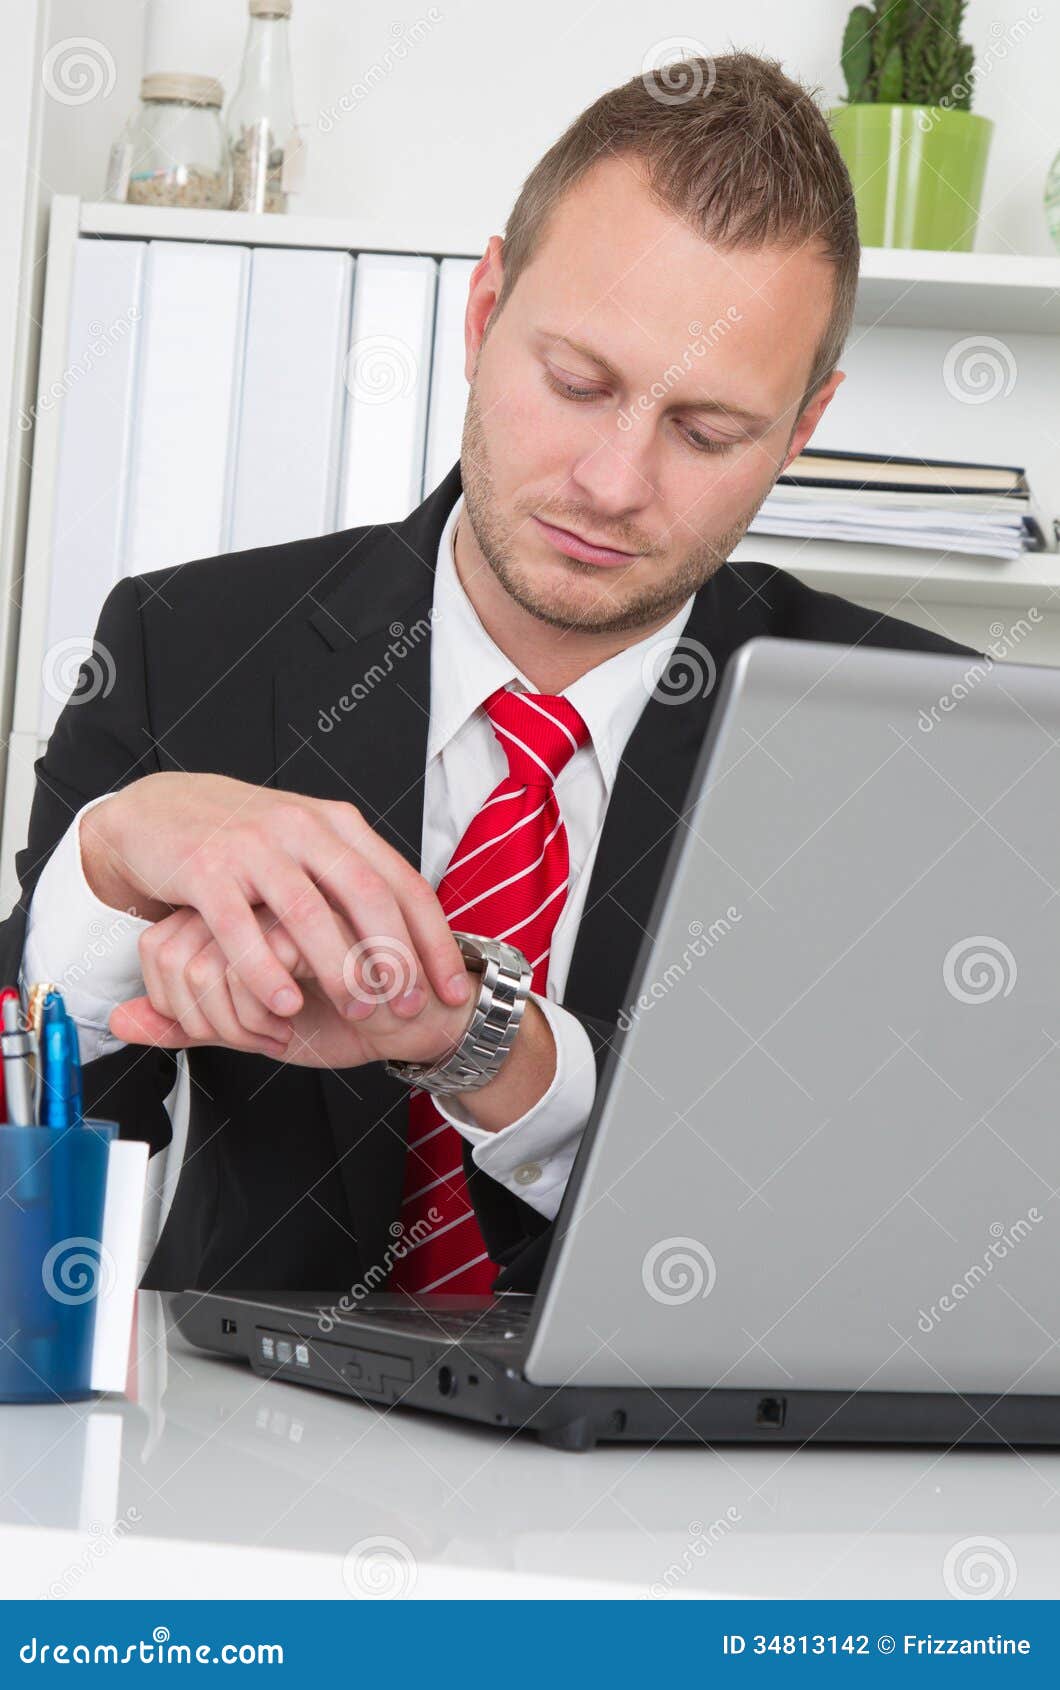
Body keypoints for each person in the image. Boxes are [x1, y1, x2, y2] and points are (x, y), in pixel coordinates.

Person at [0, 52, 977, 1297]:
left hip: (702, 1480)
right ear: (483, 315)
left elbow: (904, 1231)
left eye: (706, 431)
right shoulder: (186, 642)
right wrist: (106, 873)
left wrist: (492, 1050)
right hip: (240, 1470)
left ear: (802, 428)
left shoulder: (919, 737)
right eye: (577, 384)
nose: (615, 483)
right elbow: (39, 1198)